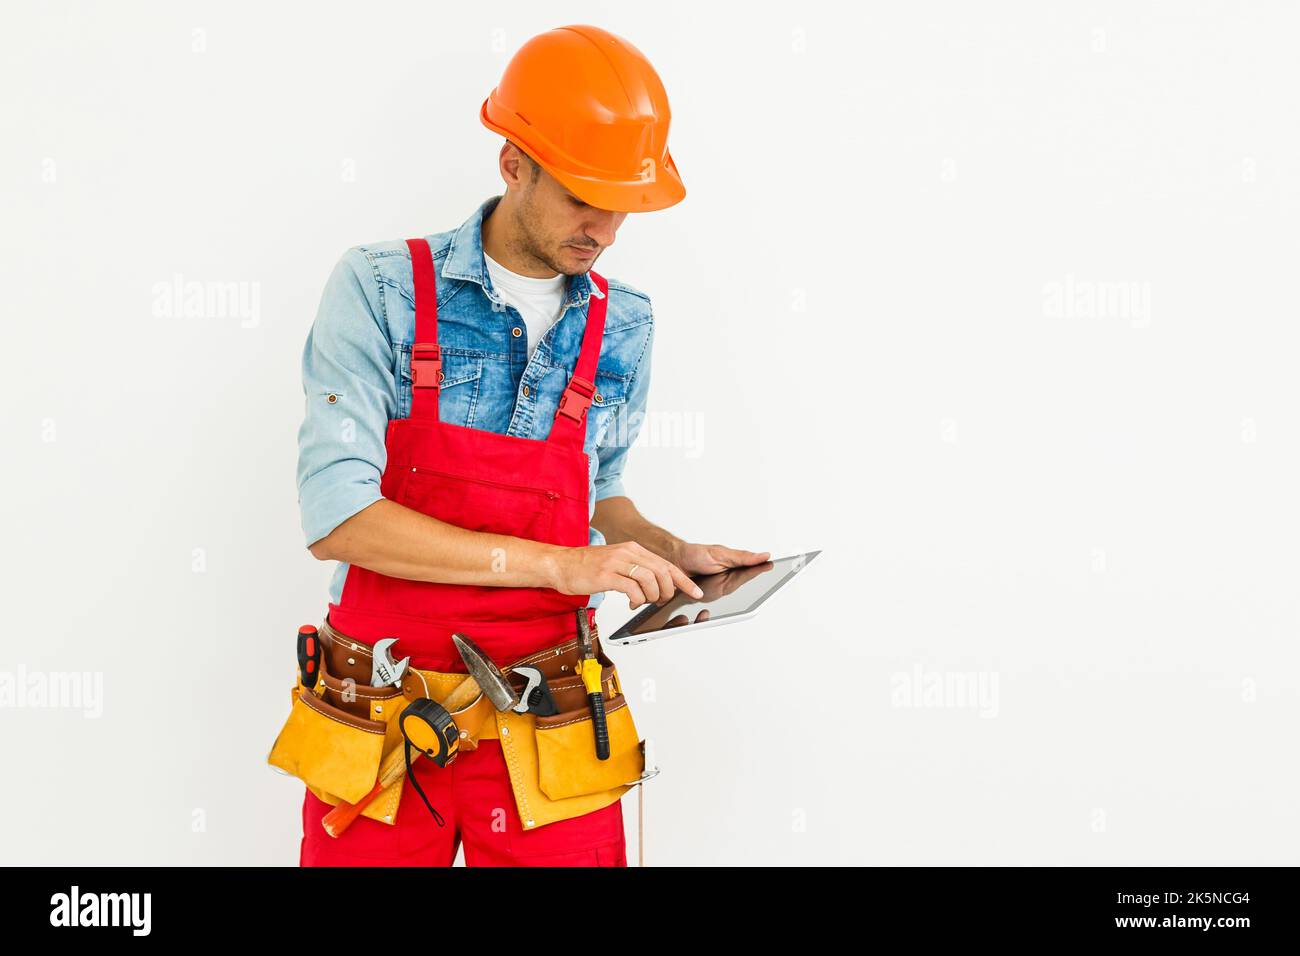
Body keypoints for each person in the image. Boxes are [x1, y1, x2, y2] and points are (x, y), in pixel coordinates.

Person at [293, 24, 767, 867]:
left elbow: (599, 494)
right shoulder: (381, 289)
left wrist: (666, 551)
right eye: (584, 195)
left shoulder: (624, 323)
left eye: (622, 204)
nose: (604, 229)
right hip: (386, 717)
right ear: (514, 163)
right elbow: (339, 518)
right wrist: (560, 564)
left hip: (550, 719)